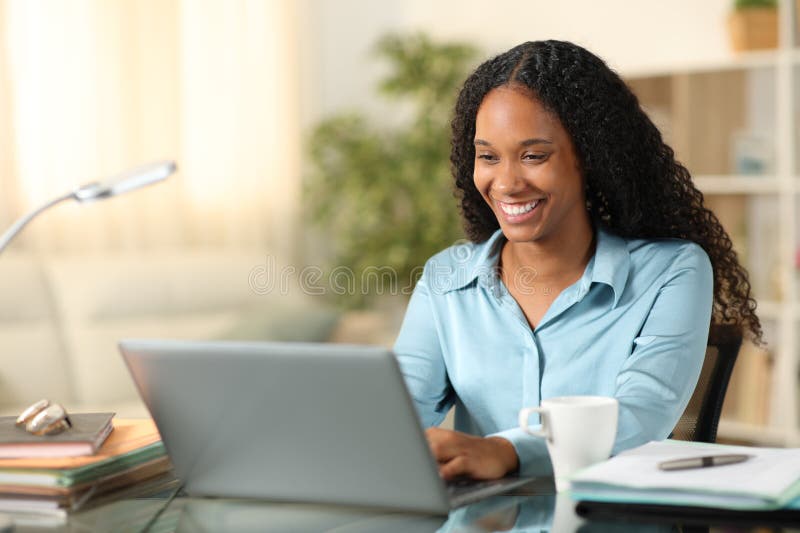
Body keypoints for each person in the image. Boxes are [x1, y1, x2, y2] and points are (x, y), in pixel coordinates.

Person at [393, 40, 761, 480]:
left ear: (588, 158)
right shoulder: (446, 278)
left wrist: (504, 451)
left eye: (533, 156)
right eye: (488, 156)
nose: (506, 182)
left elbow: (642, 415)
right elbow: (397, 418)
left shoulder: (673, 270)